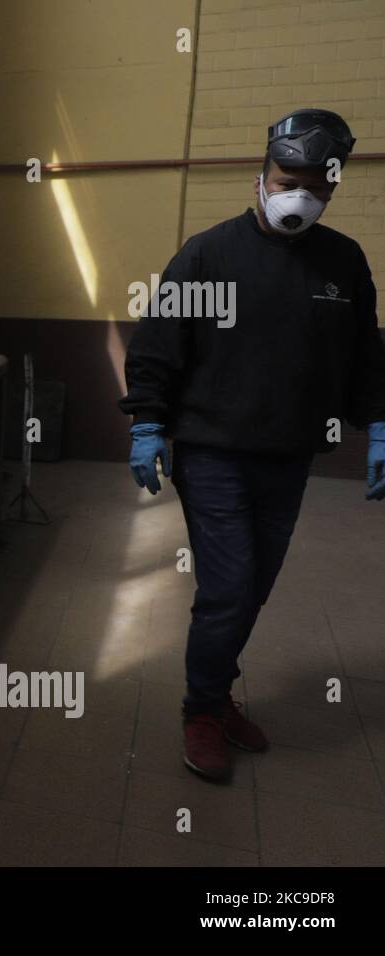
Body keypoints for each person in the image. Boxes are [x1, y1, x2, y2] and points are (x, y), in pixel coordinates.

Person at [119, 108, 385, 783]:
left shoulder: (343, 262)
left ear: (332, 186)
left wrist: (378, 422)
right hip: (211, 451)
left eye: (315, 184)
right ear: (261, 176)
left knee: (251, 588)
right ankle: (201, 712)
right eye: (285, 178)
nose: (300, 194)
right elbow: (156, 345)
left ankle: (215, 692)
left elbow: (365, 359)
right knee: (232, 585)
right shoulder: (210, 254)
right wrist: (147, 422)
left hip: (289, 455)